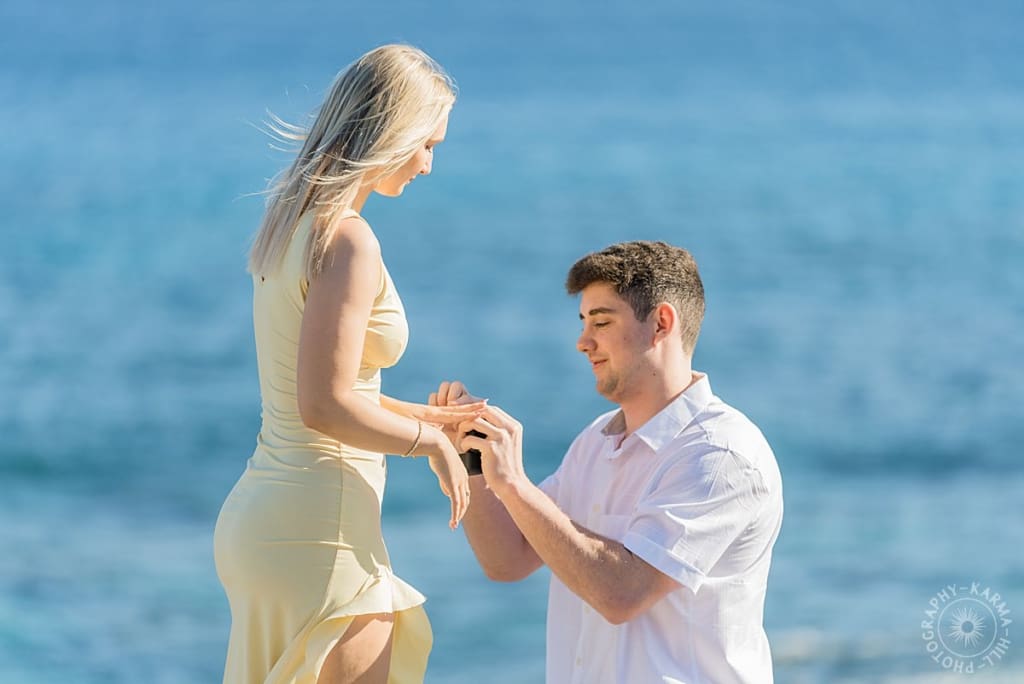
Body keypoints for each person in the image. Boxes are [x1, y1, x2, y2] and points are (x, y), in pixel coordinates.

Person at [214, 44, 483, 684]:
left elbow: (326, 387)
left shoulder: (291, 224)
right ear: (393, 133)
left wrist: (431, 420)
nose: (428, 165)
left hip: (268, 519)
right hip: (321, 532)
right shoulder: (350, 239)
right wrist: (430, 446)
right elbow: (325, 406)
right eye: (427, 144)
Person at [437, 241, 784, 683]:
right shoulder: (595, 442)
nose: (583, 343)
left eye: (601, 322)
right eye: (583, 323)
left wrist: (515, 484)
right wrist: (474, 461)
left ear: (661, 323)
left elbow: (621, 593)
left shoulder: (721, 454)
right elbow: (507, 560)